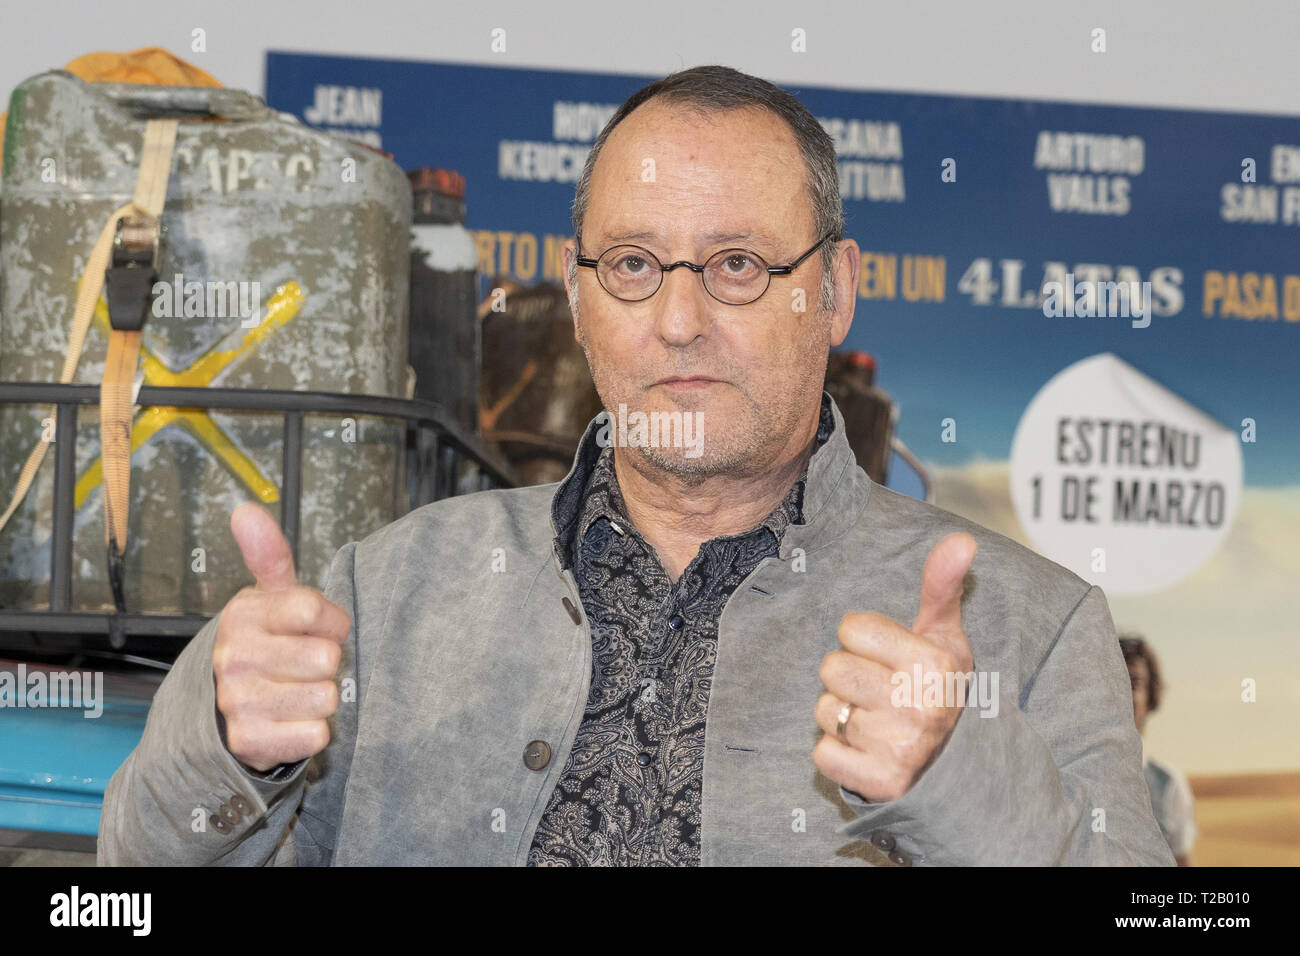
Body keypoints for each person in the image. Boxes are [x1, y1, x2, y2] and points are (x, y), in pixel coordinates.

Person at [98, 65, 1174, 866]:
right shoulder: (385, 589)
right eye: (631, 264)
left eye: (739, 265)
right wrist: (226, 744)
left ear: (836, 291)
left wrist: (957, 779)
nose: (677, 319)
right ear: (575, 297)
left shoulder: (1032, 626)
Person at [1121, 635, 1197, 865]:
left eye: (1133, 683)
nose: (1121, 692)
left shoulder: (1168, 785)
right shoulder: (1068, 781)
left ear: (1150, 697)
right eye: (1111, 680)